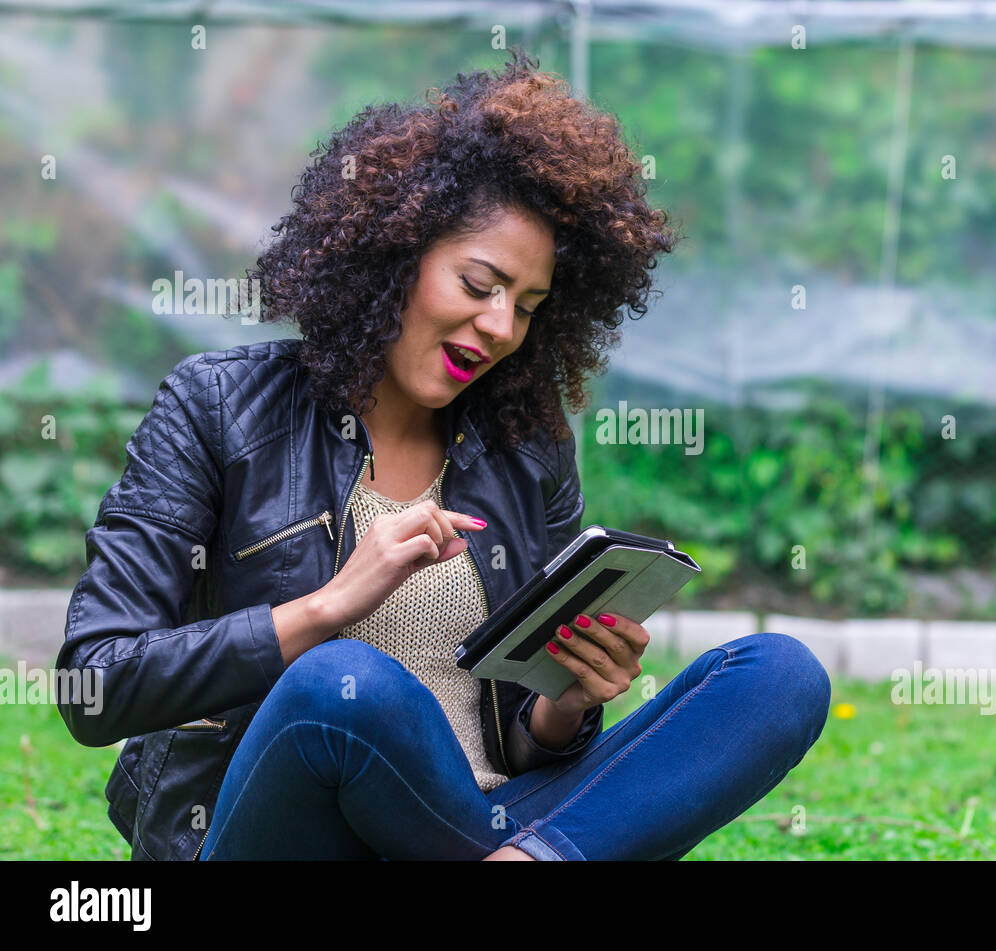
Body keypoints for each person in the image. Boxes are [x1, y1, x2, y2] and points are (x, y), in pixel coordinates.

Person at [57, 49, 831, 861]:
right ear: (396, 256)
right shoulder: (218, 406)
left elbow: (519, 738)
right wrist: (325, 606)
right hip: (282, 834)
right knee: (342, 688)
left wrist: (562, 707)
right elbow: (96, 682)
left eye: (529, 306)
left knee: (777, 675)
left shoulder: (525, 447)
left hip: (490, 822)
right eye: (479, 282)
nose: (501, 327)